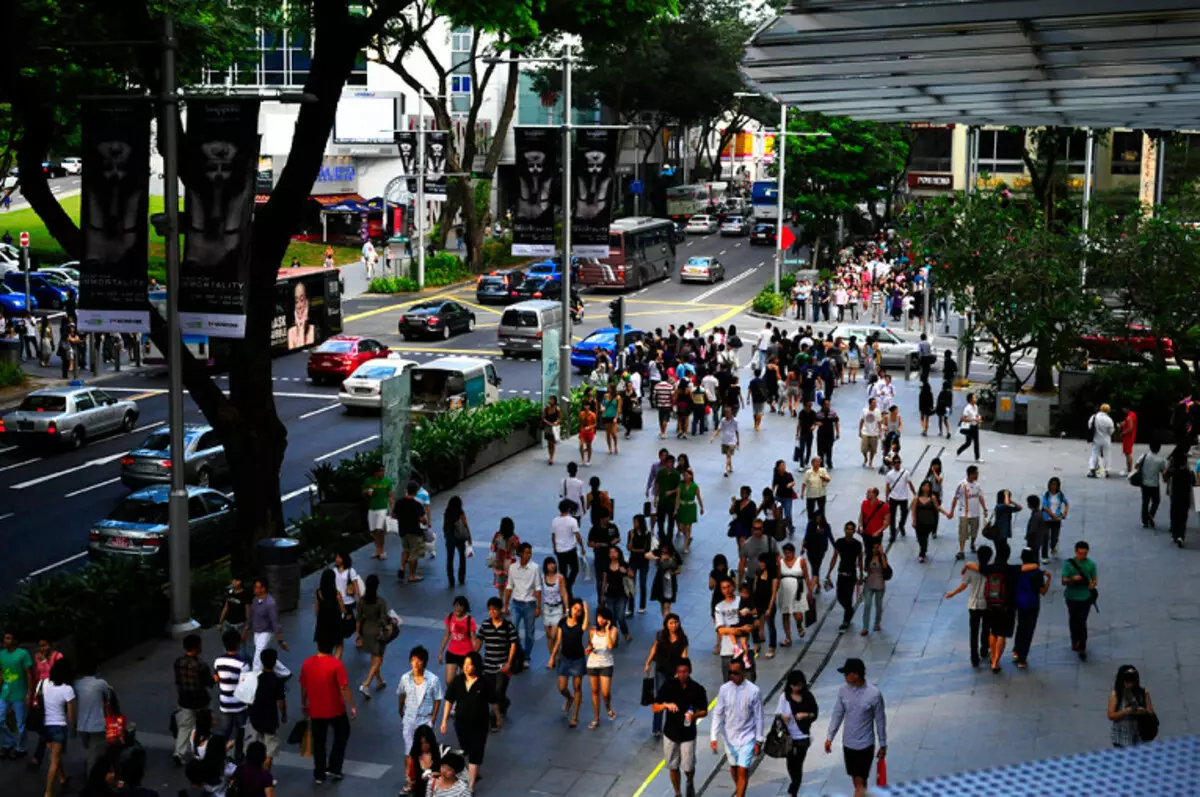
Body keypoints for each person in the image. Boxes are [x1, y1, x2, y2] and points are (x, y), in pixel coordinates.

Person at [824, 658, 887, 797]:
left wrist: (883, 744)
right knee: (858, 781)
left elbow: (880, 720)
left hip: (865, 745)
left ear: (856, 675)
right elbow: (837, 714)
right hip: (849, 744)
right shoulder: (843, 692)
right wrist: (830, 737)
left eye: (846, 673)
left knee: (859, 783)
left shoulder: (874, 694)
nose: (844, 677)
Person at [299, 638, 356, 785]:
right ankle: (335, 768)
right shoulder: (336, 664)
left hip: (316, 709)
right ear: (332, 648)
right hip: (335, 708)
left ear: (317, 646)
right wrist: (352, 705)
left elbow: (304, 686)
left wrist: (304, 703)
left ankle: (319, 774)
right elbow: (344, 687)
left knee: (319, 741)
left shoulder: (307, 663)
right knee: (342, 733)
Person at [652, 658, 707, 797]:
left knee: (688, 766)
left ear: (690, 671)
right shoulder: (669, 686)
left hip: (688, 733)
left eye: (685, 672)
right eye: (680, 672)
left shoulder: (697, 689)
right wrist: (666, 705)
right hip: (671, 732)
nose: (683, 675)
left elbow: (704, 710)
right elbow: (655, 706)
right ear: (676, 672)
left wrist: (694, 716)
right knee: (673, 765)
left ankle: (689, 780)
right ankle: (677, 793)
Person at [709, 658, 764, 797]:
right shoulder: (724, 689)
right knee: (733, 768)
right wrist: (713, 737)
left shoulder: (754, 691)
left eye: (735, 672)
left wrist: (758, 740)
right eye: (730, 672)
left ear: (743, 672)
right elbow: (718, 713)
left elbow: (759, 717)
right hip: (729, 737)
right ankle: (740, 790)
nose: (732, 675)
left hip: (747, 737)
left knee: (742, 770)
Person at [440, 652, 494, 790]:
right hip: (461, 724)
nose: (466, 667)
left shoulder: (484, 682)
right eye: (464, 664)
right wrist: (444, 720)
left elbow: (493, 699)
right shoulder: (458, 681)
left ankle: (470, 786)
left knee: (476, 751)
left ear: (476, 666)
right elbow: (449, 700)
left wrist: (497, 716)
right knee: (467, 749)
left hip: (479, 724)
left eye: (469, 664)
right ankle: (474, 771)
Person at [397, 646, 445, 777]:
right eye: (413, 660)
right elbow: (401, 694)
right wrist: (401, 710)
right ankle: (409, 779)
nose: (415, 664)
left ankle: (425, 777)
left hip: (425, 719)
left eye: (419, 660)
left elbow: (438, 699)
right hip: (409, 719)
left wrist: (433, 718)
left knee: (425, 751)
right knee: (408, 751)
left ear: (424, 662)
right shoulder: (405, 678)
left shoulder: (433, 679)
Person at [645, 614, 690, 736]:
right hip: (661, 670)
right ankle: (657, 728)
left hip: (675, 672)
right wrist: (648, 662)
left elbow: (684, 656)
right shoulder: (661, 635)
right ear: (666, 624)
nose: (674, 625)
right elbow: (654, 649)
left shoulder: (682, 638)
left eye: (676, 622)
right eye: (671, 623)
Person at [477, 598, 518, 729]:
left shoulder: (508, 626)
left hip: (502, 666)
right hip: (488, 664)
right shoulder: (485, 625)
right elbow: (479, 641)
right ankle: (502, 706)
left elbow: (513, 644)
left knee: (498, 691)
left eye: (494, 609)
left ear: (500, 610)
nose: (492, 612)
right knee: (491, 692)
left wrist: (509, 663)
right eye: (490, 609)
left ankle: (495, 717)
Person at [172, 634, 213, 766]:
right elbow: (209, 683)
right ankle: (200, 752)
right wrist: (216, 679)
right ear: (197, 647)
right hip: (201, 700)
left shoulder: (178, 662)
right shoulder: (201, 665)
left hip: (184, 699)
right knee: (203, 726)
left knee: (185, 726)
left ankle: (179, 753)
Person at [776, 670, 819, 797]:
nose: (798, 688)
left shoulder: (808, 696)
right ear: (790, 685)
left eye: (800, 685)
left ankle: (794, 788)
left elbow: (814, 713)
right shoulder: (784, 697)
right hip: (788, 736)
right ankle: (794, 784)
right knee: (791, 763)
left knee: (798, 763)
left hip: (802, 736)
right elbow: (778, 714)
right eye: (796, 685)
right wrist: (784, 717)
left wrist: (805, 715)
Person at [547, 598, 588, 728]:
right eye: (575, 609)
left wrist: (586, 609)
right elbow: (558, 640)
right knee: (562, 687)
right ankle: (569, 698)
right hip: (564, 658)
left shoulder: (580, 624)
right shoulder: (563, 622)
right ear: (571, 609)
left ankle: (575, 716)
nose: (577, 612)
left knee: (577, 687)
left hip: (578, 659)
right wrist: (552, 657)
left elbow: (586, 625)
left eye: (579, 610)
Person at [504, 543, 544, 668]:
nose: (529, 555)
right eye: (527, 552)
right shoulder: (512, 568)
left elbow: (538, 588)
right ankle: (517, 653)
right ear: (520, 554)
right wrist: (506, 604)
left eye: (530, 552)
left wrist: (538, 607)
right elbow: (509, 586)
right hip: (516, 603)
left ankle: (526, 656)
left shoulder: (535, 568)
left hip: (529, 604)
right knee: (513, 630)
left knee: (529, 633)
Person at [214, 629, 250, 762]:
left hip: (224, 702)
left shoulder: (218, 661)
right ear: (238, 643)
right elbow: (245, 684)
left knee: (225, 730)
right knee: (240, 732)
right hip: (240, 704)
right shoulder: (243, 663)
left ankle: (220, 753)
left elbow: (216, 678)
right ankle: (238, 756)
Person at [40, 658, 74, 797]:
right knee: (54, 760)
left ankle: (63, 777)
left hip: (46, 726)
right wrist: (73, 728)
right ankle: (48, 792)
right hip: (59, 727)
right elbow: (71, 715)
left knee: (55, 754)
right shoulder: (68, 689)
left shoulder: (46, 683)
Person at [1012, 549, 1050, 669]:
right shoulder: (1037, 573)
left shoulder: (1017, 570)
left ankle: (1016, 651)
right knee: (1028, 630)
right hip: (1032, 604)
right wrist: (1048, 579)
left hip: (1019, 603)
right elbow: (1043, 591)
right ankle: (1022, 659)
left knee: (1020, 626)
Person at [354, 575, 390, 696]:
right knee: (378, 658)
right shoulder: (380, 602)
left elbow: (358, 619)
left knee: (374, 657)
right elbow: (383, 619)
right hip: (377, 631)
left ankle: (379, 680)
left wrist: (358, 635)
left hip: (366, 630)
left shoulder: (362, 602)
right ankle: (366, 683)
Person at [0, 630, 34, 760]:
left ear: (15, 641)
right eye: (4, 638)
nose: (5, 641)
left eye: (8, 638)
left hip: (20, 693)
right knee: (0, 719)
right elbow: (2, 674)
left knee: (21, 723)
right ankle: (9, 742)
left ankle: (21, 748)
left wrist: (29, 693)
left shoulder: (23, 654)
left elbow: (29, 674)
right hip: (5, 692)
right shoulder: (1, 654)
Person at [1062, 540, 1098, 661]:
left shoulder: (1091, 564)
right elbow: (1063, 580)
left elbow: (1094, 579)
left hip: (1085, 597)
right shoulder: (1068, 564)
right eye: (1080, 553)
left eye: (1085, 554)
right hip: (1071, 596)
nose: (1082, 556)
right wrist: (1072, 579)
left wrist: (1092, 584)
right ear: (1076, 552)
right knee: (1073, 619)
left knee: (1082, 621)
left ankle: (1082, 646)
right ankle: (1075, 640)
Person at [585, 606, 620, 729]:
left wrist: (606, 630)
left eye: (604, 618)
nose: (601, 620)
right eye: (599, 617)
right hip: (593, 663)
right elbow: (590, 644)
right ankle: (596, 718)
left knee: (605, 692)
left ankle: (608, 708)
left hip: (606, 663)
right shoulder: (592, 630)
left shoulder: (612, 630)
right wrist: (589, 648)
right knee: (594, 691)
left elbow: (610, 646)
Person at [826, 522, 864, 632]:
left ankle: (846, 620)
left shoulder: (857, 544)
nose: (849, 531)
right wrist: (829, 572)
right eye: (847, 529)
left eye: (851, 529)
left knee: (848, 597)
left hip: (851, 575)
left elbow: (860, 560)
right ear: (844, 530)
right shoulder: (840, 542)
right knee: (839, 596)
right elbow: (834, 557)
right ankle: (849, 610)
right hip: (841, 573)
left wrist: (861, 575)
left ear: (854, 531)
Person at [245, 578, 287, 672]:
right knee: (264, 654)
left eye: (257, 587)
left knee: (258, 656)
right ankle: (284, 672)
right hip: (257, 632)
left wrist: (280, 640)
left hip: (266, 632)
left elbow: (275, 622)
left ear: (263, 589)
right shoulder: (255, 600)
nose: (254, 589)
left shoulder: (270, 604)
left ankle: (255, 678)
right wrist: (248, 626)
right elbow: (252, 614)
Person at [1108, 665, 1155, 748]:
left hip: (1140, 733)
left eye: (1132, 682)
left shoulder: (1143, 693)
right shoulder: (1116, 695)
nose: (1130, 684)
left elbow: (1150, 712)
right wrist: (1126, 711)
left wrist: (1143, 711)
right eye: (1127, 682)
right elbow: (1111, 715)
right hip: (1121, 735)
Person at [776, 543, 813, 646]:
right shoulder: (780, 562)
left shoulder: (800, 561)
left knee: (798, 615)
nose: (787, 555)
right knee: (785, 614)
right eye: (785, 553)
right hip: (784, 591)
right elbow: (778, 577)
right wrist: (775, 591)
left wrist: (810, 590)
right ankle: (788, 637)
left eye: (789, 552)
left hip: (798, 589)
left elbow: (806, 576)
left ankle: (799, 625)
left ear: (793, 552)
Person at [948, 465, 987, 561]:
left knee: (974, 531)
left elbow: (980, 497)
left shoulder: (977, 486)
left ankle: (972, 543)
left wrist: (984, 509)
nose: (977, 475)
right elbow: (955, 498)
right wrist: (952, 511)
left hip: (975, 513)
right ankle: (961, 551)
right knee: (963, 532)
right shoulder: (962, 485)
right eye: (976, 473)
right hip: (964, 513)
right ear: (970, 474)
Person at [313, 569, 347, 662]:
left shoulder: (318, 593)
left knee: (323, 650)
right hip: (335, 623)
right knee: (339, 646)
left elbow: (316, 610)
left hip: (322, 624)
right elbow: (342, 609)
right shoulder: (337, 593)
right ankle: (334, 666)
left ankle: (324, 668)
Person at [859, 539, 889, 636]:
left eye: (877, 548)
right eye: (874, 548)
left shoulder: (882, 557)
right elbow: (865, 569)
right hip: (869, 583)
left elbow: (885, 567)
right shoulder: (868, 557)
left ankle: (877, 623)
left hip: (880, 583)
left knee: (878, 605)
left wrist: (881, 554)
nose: (875, 549)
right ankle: (865, 626)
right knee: (867, 605)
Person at [1136, 441, 1168, 528]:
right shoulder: (1161, 460)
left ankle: (1144, 520)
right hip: (1154, 484)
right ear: (1159, 449)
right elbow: (1164, 472)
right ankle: (1151, 514)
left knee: (1145, 502)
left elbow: (1137, 465)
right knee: (1156, 501)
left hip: (1144, 483)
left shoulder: (1144, 456)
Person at [884, 456, 916, 542]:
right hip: (893, 497)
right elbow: (887, 487)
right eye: (895, 462)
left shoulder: (905, 473)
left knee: (904, 514)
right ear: (893, 464)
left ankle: (901, 525)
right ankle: (892, 534)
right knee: (892, 517)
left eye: (898, 462)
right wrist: (886, 498)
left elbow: (910, 484)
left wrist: (915, 494)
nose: (897, 464)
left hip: (903, 497)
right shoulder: (889, 474)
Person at [488, 517, 520, 599]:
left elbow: (493, 548)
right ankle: (506, 603)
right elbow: (518, 551)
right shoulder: (514, 538)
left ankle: (501, 600)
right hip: (511, 562)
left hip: (499, 562)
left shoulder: (497, 536)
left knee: (500, 585)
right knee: (509, 585)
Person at [1165, 449, 1192, 547]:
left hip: (1175, 496)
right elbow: (1193, 483)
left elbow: (1165, 476)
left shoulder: (1173, 471)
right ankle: (1181, 536)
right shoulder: (1188, 472)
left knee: (1174, 515)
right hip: (1185, 498)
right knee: (1183, 517)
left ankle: (1175, 534)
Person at [1040, 477, 1070, 563]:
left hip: (1056, 520)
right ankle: (1044, 556)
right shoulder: (1046, 495)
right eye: (1052, 484)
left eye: (1055, 485)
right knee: (1045, 538)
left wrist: (1065, 513)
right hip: (1046, 519)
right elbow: (1045, 507)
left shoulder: (1060, 495)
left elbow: (1067, 503)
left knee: (1054, 537)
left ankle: (1053, 547)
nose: (1053, 486)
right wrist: (1053, 516)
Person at [674, 469, 703, 554]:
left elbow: (698, 497)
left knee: (688, 527)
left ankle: (686, 545)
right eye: (684, 475)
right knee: (681, 527)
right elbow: (678, 498)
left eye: (687, 475)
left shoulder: (695, 486)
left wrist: (701, 507)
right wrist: (676, 509)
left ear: (691, 476)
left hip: (691, 507)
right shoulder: (680, 486)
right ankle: (688, 537)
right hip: (682, 507)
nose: (686, 477)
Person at [1088, 403, 1116, 478]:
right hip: (1106, 439)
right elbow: (1111, 431)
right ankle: (1106, 470)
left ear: (1100, 409)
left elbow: (1090, 425)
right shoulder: (1109, 419)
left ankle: (1092, 469)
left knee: (1094, 453)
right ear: (1108, 411)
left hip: (1096, 438)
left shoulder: (1094, 417)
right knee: (1107, 455)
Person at [712, 405, 740, 477]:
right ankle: (730, 467)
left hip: (732, 441)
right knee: (728, 456)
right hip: (724, 441)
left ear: (731, 413)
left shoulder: (735, 421)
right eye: (726, 412)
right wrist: (713, 437)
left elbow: (737, 431)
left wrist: (738, 441)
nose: (727, 414)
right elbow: (718, 429)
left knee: (728, 455)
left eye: (728, 412)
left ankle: (726, 470)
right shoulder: (723, 420)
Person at [800, 456, 830, 523]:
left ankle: (822, 523)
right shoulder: (808, 472)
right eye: (817, 462)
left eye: (819, 462)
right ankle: (811, 523)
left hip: (821, 494)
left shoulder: (823, 470)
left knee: (822, 510)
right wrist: (802, 493)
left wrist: (824, 478)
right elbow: (804, 483)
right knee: (810, 510)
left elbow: (828, 479)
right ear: (812, 463)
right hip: (811, 494)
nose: (818, 463)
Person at [814, 398, 840, 470]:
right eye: (826, 404)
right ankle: (821, 463)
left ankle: (829, 462)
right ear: (822, 405)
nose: (827, 406)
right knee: (820, 450)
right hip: (821, 434)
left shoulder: (833, 413)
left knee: (829, 449)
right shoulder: (818, 413)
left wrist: (837, 432)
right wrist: (817, 423)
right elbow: (813, 421)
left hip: (830, 433)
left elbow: (836, 422)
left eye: (828, 404)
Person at [956, 392, 982, 461]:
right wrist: (973, 419)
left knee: (972, 442)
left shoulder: (975, 406)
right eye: (974, 398)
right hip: (969, 427)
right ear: (970, 400)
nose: (975, 399)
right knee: (971, 442)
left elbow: (976, 415)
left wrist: (979, 417)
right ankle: (959, 452)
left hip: (975, 426)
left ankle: (977, 457)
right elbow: (963, 418)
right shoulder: (967, 408)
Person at [858, 397, 882, 469]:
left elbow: (879, 422)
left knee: (873, 449)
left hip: (874, 432)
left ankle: (871, 461)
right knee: (863, 449)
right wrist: (860, 430)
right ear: (870, 404)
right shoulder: (864, 411)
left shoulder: (877, 411)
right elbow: (862, 420)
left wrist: (880, 431)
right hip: (865, 431)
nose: (875, 404)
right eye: (873, 403)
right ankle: (865, 458)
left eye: (875, 403)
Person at [542, 395, 562, 465]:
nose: (550, 401)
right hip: (548, 427)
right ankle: (550, 455)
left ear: (555, 401)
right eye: (550, 399)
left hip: (554, 427)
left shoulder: (557, 409)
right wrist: (548, 422)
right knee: (549, 443)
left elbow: (560, 419)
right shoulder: (546, 409)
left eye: (552, 399)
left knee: (552, 443)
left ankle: (551, 457)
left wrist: (556, 422)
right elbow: (543, 418)